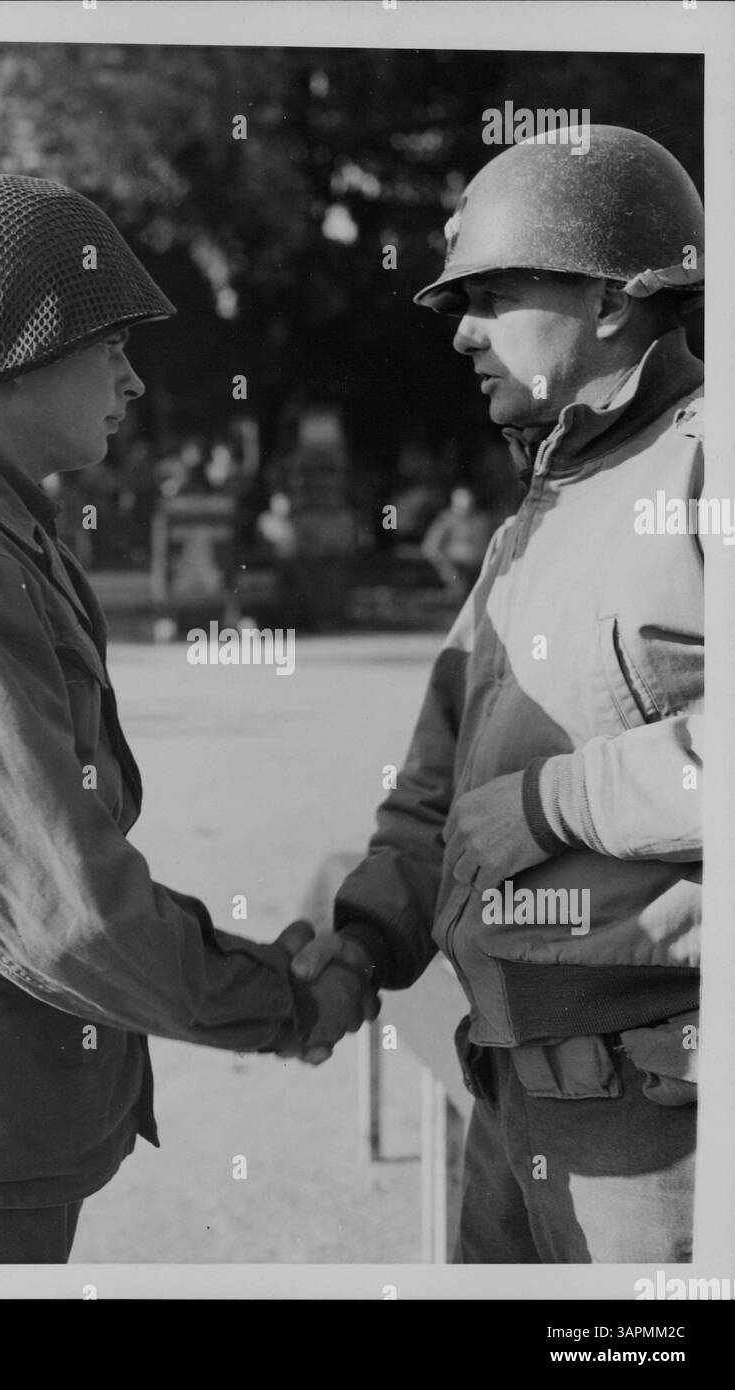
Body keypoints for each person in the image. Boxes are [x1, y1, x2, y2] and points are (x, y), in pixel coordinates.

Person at [0, 175, 377, 1265]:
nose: (133, 374)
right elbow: (62, 907)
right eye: (106, 340)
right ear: (13, 342)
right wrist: (282, 1002)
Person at [289, 126, 705, 1262]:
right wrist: (360, 949)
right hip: (508, 1105)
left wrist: (553, 803)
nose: (462, 332)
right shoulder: (538, 510)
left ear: (614, 300)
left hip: (665, 1126)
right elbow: (437, 786)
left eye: (493, 294)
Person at [420, 485, 494, 599]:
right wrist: (446, 568)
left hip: (479, 567)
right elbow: (430, 547)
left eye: (469, 506)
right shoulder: (446, 520)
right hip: (455, 569)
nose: (465, 510)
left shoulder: (482, 520)